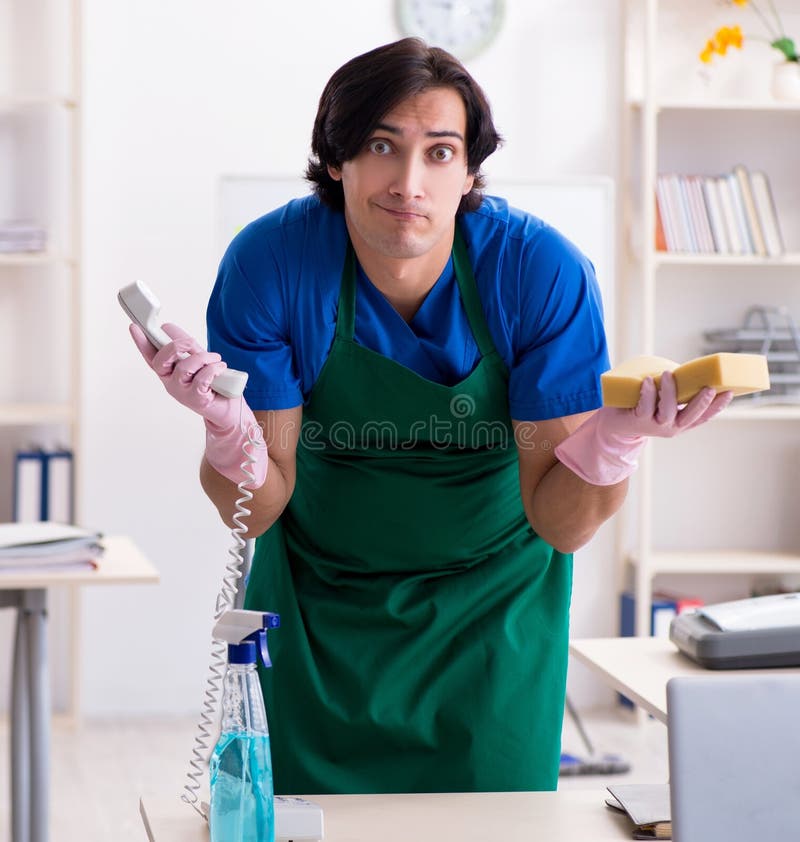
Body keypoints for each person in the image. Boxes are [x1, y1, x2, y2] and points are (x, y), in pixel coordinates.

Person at [130, 38, 732, 794]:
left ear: (470, 170)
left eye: (440, 152)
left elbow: (562, 523)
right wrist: (228, 432)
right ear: (338, 157)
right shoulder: (273, 263)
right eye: (383, 145)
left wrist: (614, 441)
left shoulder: (538, 271)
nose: (409, 182)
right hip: (320, 617)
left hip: (494, 622)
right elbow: (256, 509)